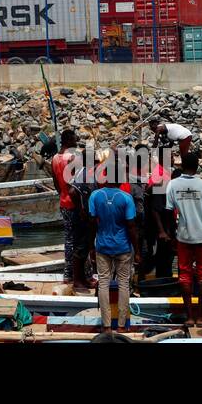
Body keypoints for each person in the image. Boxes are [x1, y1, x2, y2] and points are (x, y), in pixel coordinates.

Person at [87, 153, 139, 333]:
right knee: (124, 283)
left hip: (102, 245)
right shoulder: (126, 198)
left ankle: (107, 326)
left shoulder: (95, 196)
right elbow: (131, 226)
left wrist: (91, 247)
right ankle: (123, 326)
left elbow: (92, 223)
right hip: (123, 246)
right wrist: (137, 250)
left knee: (103, 283)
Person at [166, 150, 202, 326]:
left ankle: (189, 316)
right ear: (196, 167)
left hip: (183, 237)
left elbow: (169, 213)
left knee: (185, 275)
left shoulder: (172, 184)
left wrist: (172, 233)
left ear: (181, 166)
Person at [50, 129, 93, 289]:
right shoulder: (73, 158)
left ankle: (68, 274)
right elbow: (77, 183)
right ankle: (83, 275)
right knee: (82, 241)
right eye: (75, 137)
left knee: (69, 240)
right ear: (69, 140)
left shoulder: (55, 158)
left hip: (63, 202)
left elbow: (56, 183)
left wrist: (62, 194)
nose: (77, 139)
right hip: (76, 204)